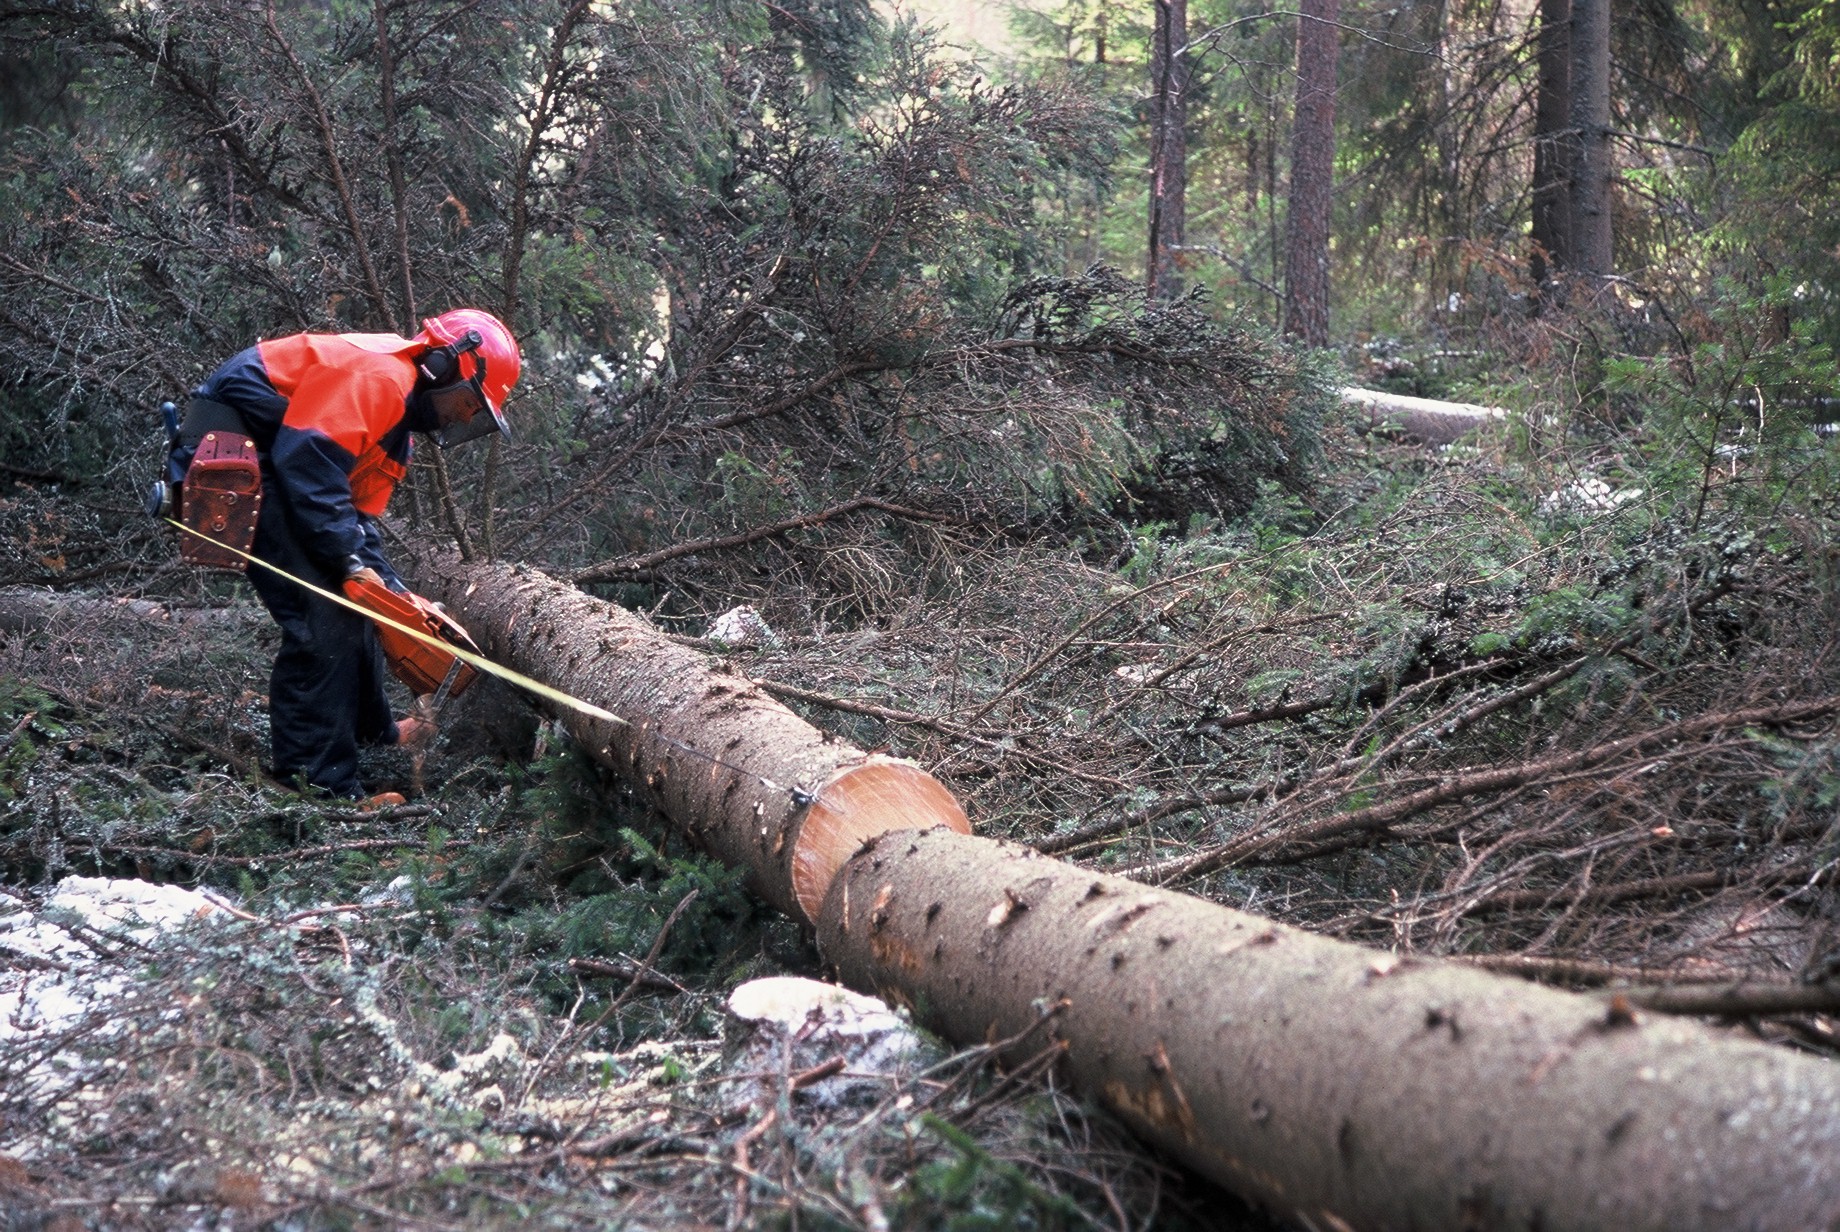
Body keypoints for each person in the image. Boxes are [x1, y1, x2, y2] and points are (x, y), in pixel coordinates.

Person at [165, 309, 520, 802]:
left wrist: (392, 595)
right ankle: (319, 786)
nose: (465, 416)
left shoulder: (396, 434)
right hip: (236, 455)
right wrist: (350, 561)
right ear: (442, 365)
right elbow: (308, 462)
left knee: (362, 602)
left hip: (279, 464)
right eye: (468, 402)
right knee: (325, 617)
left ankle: (372, 731)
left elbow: (356, 520)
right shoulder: (382, 376)